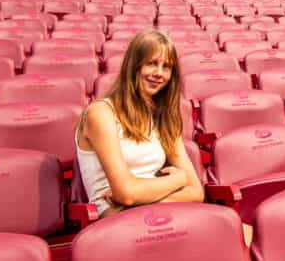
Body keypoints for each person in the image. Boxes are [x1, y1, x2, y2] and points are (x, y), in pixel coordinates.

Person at [75, 30, 203, 217]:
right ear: (134, 66)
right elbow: (126, 194)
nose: (159, 73)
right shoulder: (101, 113)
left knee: (236, 229)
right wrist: (179, 179)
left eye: (166, 67)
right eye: (151, 64)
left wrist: (141, 199)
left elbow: (196, 192)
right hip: (114, 219)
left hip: (154, 214)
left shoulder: (164, 117)